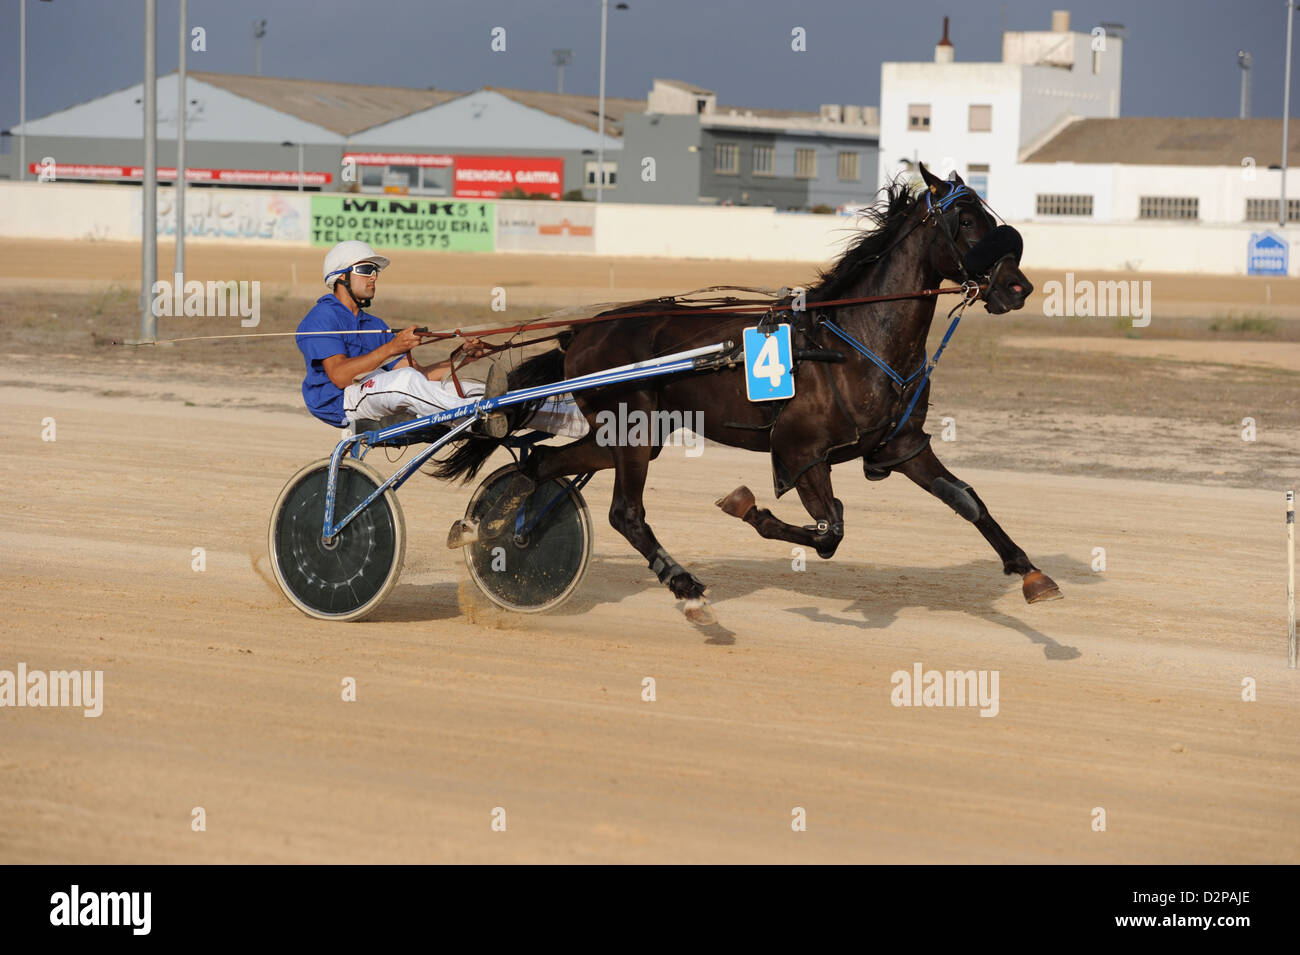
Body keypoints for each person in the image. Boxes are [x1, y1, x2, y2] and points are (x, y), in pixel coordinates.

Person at [295, 240, 510, 436]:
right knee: (404, 381)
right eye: (365, 270)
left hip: (378, 390)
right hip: (341, 401)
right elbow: (340, 376)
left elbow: (421, 376)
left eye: (375, 270)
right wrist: (392, 347)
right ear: (341, 276)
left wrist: (463, 358)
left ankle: (523, 409)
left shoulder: (375, 324)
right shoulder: (321, 318)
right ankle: (477, 419)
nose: (374, 276)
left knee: (464, 388)